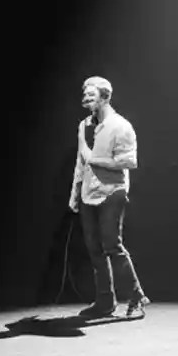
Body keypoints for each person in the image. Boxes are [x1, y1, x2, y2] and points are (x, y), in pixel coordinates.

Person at [69, 76, 150, 319]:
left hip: (112, 192)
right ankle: (105, 301)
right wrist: (75, 193)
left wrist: (95, 159)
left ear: (104, 97)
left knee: (112, 245)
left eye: (90, 94)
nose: (85, 98)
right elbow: (80, 162)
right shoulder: (84, 126)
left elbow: (129, 161)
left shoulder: (120, 126)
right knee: (94, 249)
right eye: (84, 94)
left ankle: (136, 295)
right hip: (88, 192)